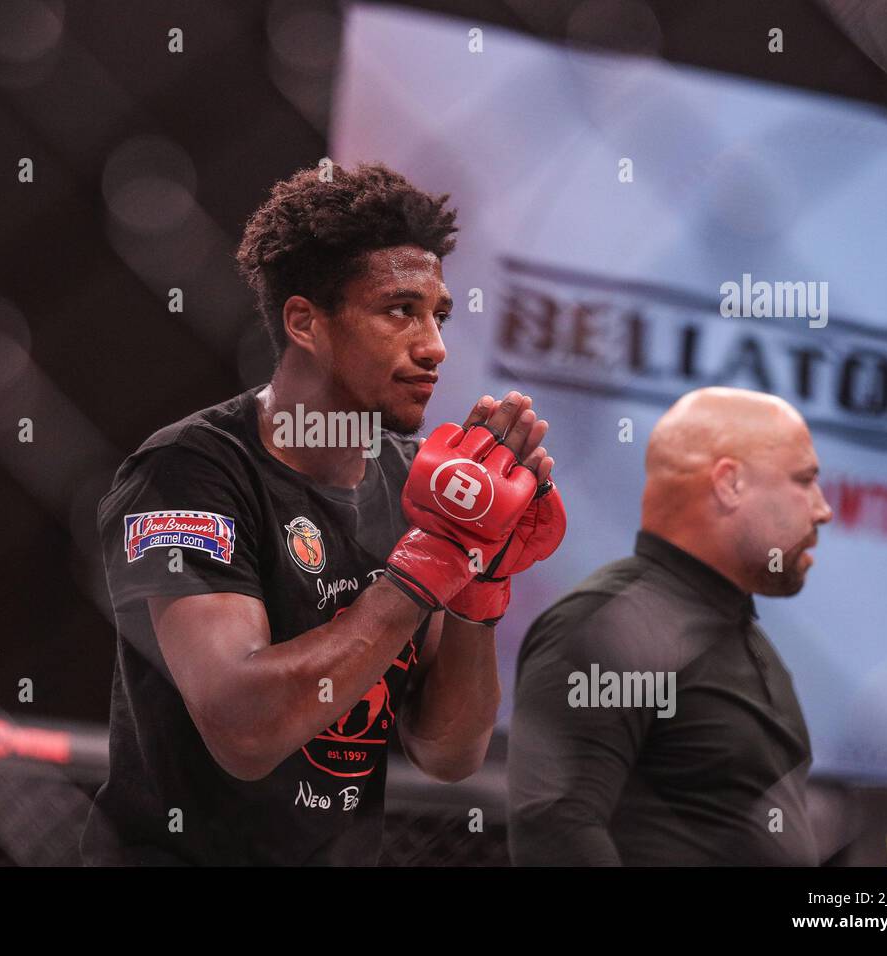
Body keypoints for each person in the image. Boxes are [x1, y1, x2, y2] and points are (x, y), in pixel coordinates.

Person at [80, 162, 566, 865]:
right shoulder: (189, 473)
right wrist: (429, 566)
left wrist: (480, 584)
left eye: (439, 316)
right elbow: (242, 731)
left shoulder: (413, 482)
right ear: (306, 322)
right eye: (400, 310)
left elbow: (447, 752)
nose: (434, 345)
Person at [508, 387, 833, 865]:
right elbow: (554, 828)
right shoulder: (610, 625)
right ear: (730, 484)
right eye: (805, 480)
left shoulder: (741, 633)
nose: (822, 509)